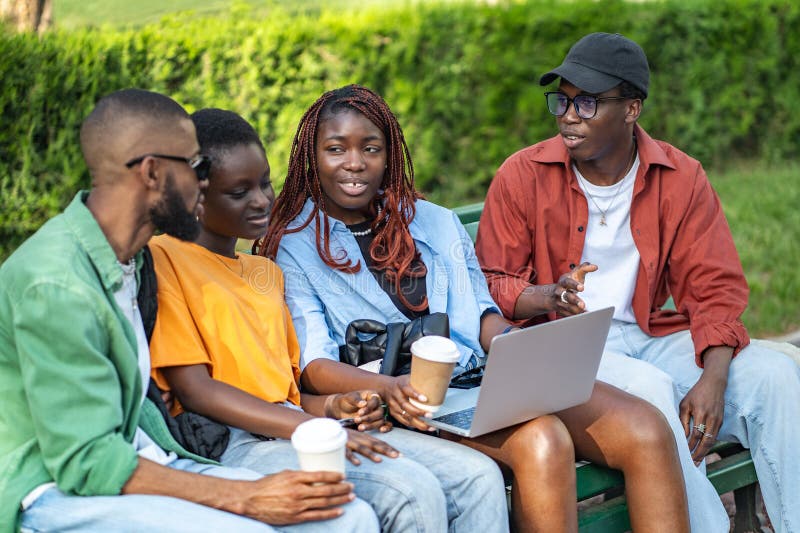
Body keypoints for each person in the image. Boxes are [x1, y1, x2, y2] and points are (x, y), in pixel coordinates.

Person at [260, 84, 694, 533]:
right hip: (400, 403)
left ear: (389, 155)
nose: (354, 163)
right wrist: (389, 388)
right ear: (313, 157)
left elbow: (482, 316)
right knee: (543, 441)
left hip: (482, 380)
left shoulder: (433, 221)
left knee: (645, 428)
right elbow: (313, 364)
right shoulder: (295, 247)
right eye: (336, 149)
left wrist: (521, 345)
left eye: (371, 148)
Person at [0, 89, 379, 533]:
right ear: (153, 172)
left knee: (347, 517)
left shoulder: (132, 261)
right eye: (197, 167)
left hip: (142, 456)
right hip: (52, 491)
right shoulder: (57, 284)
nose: (204, 185)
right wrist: (247, 496)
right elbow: (87, 463)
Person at [476, 32, 800, 532]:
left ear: (632, 109)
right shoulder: (524, 175)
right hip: (569, 350)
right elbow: (492, 281)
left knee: (777, 378)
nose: (568, 115)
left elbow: (715, 289)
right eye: (560, 101)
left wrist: (712, 379)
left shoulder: (680, 176)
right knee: (650, 391)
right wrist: (548, 295)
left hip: (649, 337)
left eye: (586, 102)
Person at [147, 107, 508, 533]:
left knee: (478, 478)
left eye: (264, 183)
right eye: (239, 191)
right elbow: (195, 390)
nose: (262, 200)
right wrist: (312, 424)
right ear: (197, 195)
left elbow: (289, 388)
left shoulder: (262, 272)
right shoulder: (166, 259)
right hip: (233, 442)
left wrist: (339, 407)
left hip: (302, 427)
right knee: (412, 491)